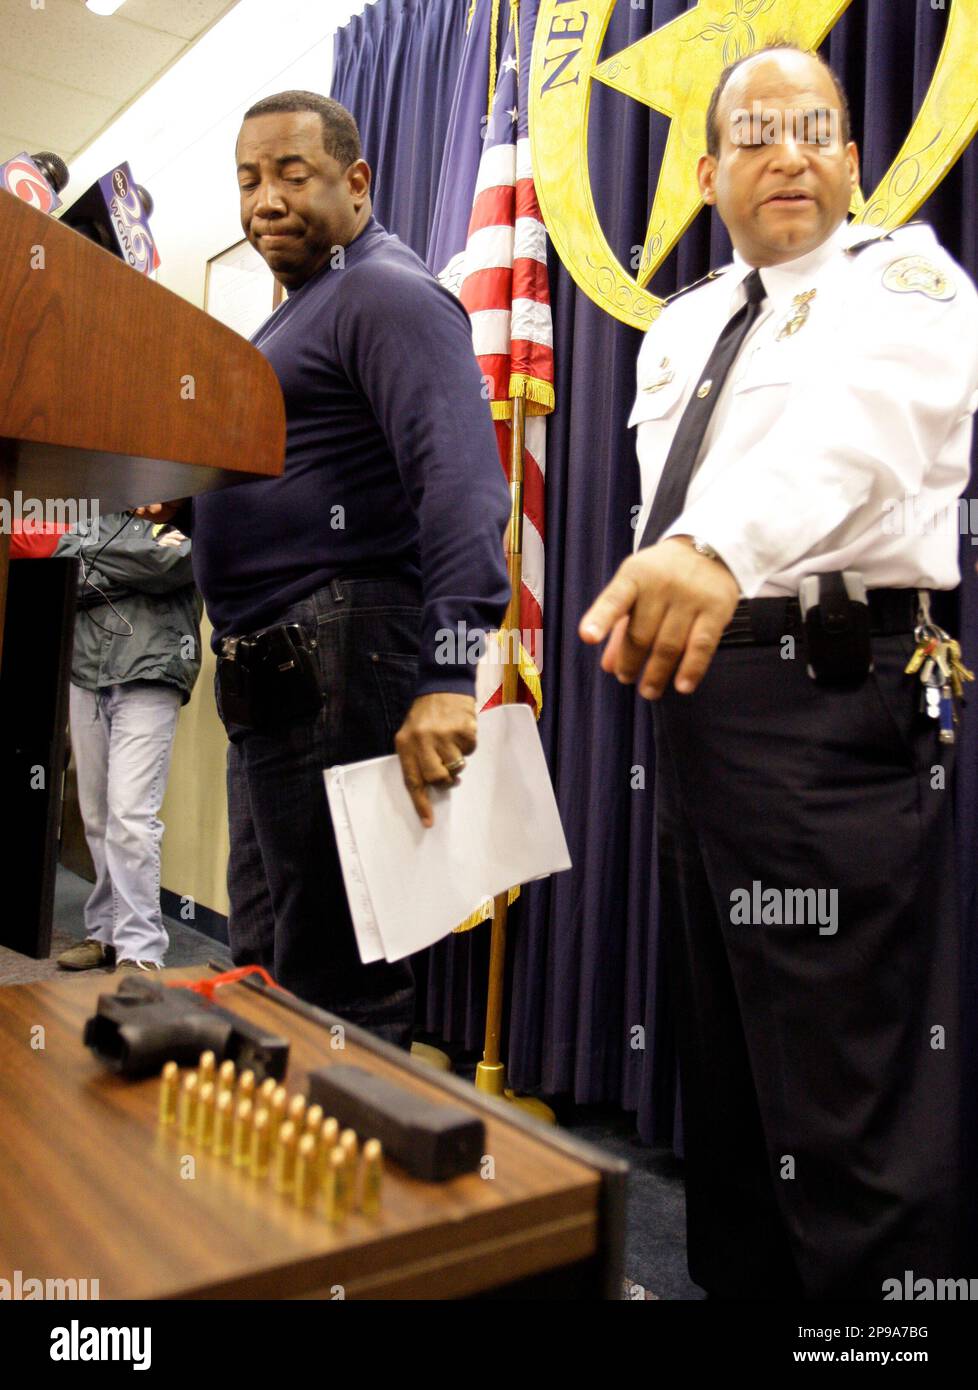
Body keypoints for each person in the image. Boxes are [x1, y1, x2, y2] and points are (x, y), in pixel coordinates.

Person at [581, 44, 978, 1298]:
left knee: (844, 1092)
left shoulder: (906, 279)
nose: (788, 151)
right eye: (755, 133)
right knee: (734, 1078)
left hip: (830, 703)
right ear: (708, 172)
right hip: (702, 703)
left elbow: (861, 431)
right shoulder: (683, 324)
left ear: (854, 160)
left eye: (816, 128)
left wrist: (712, 544)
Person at [151, 92, 510, 1049]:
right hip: (277, 664)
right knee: (272, 963)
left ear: (356, 183)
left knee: (341, 978)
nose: (265, 198)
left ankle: (360, 1195)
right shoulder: (303, 310)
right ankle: (282, 1190)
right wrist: (201, 505)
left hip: (346, 649)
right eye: (248, 179)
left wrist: (447, 675)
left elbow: (465, 486)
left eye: (291, 174)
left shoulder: (385, 291)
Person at [50, 512, 202, 972]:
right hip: (85, 673)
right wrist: (137, 566)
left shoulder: (190, 519)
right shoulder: (95, 513)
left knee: (130, 815)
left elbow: (173, 565)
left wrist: (91, 554)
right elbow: (62, 569)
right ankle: (104, 932)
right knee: (96, 817)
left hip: (150, 671)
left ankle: (140, 947)